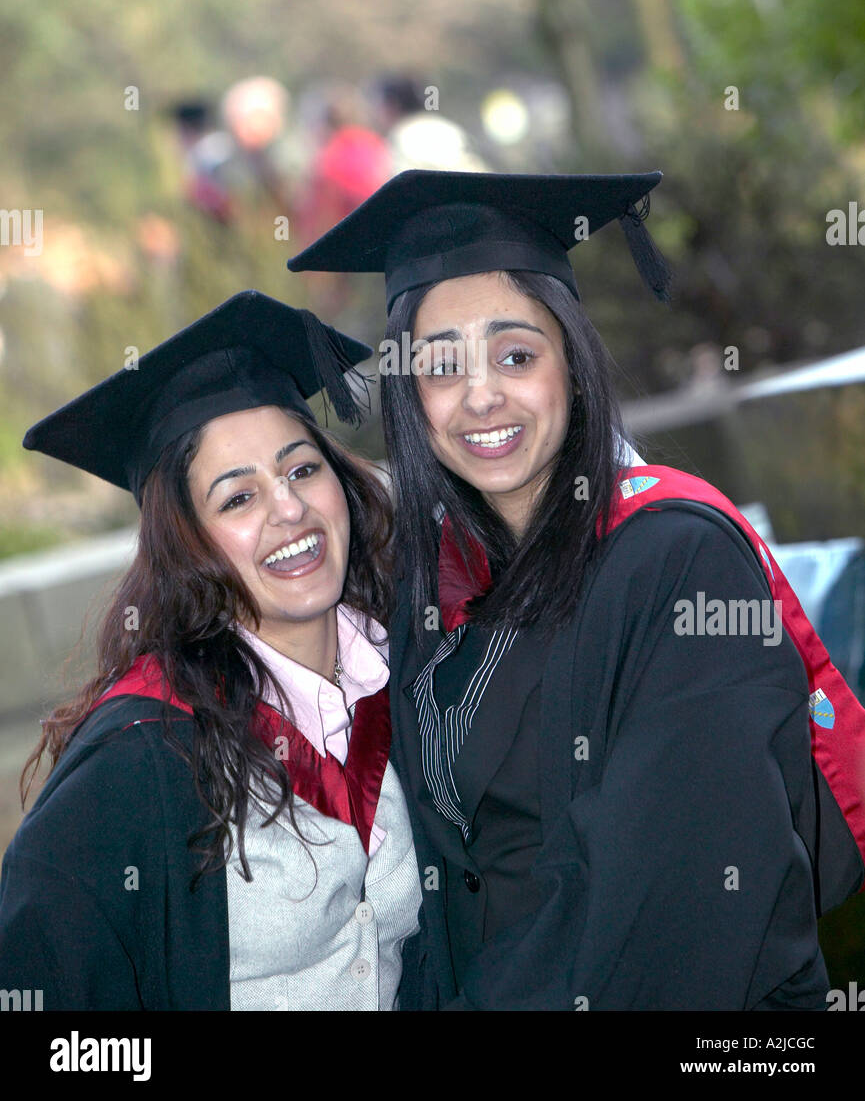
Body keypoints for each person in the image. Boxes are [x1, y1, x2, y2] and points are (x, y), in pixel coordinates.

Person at [287, 168, 865, 1011]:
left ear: (574, 363)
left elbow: (672, 906)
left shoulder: (675, 561)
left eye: (516, 355)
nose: (482, 395)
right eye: (441, 368)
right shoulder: (431, 589)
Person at [0, 290, 421, 1010]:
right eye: (237, 499)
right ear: (185, 542)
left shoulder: (413, 670)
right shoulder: (142, 753)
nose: (288, 509)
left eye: (300, 469)